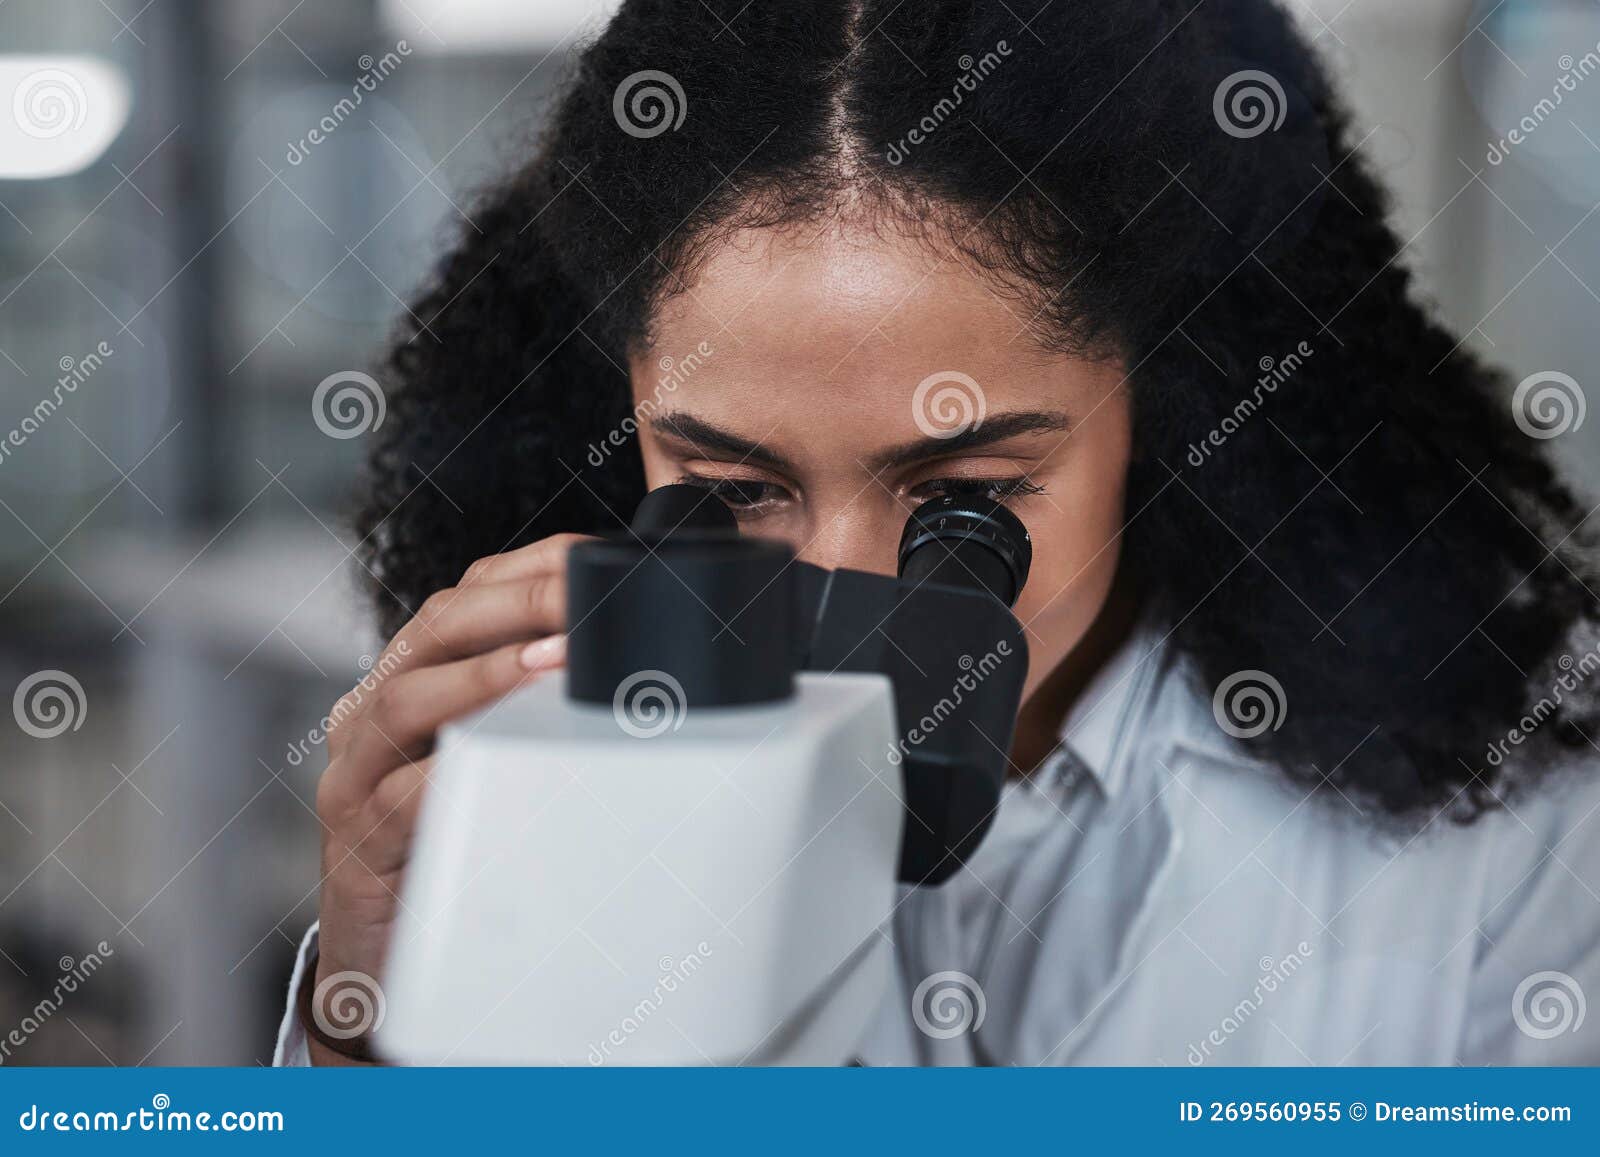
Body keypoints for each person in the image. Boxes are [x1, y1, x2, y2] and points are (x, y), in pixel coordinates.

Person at [276, 0, 1600, 1065]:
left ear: (1169, 399)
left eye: (968, 503)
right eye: (729, 490)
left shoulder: (1520, 856)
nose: (844, 583)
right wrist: (384, 1028)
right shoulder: (547, 778)